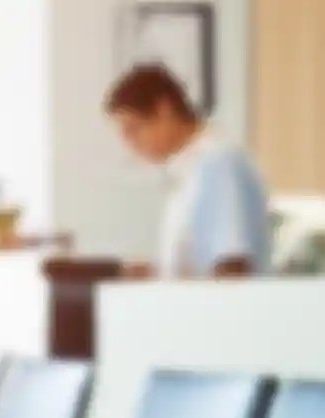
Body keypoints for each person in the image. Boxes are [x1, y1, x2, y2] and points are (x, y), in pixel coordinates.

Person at [105, 64, 270, 278]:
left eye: (133, 129)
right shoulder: (190, 169)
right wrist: (157, 272)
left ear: (164, 110)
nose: (131, 144)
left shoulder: (218, 163)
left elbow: (231, 264)